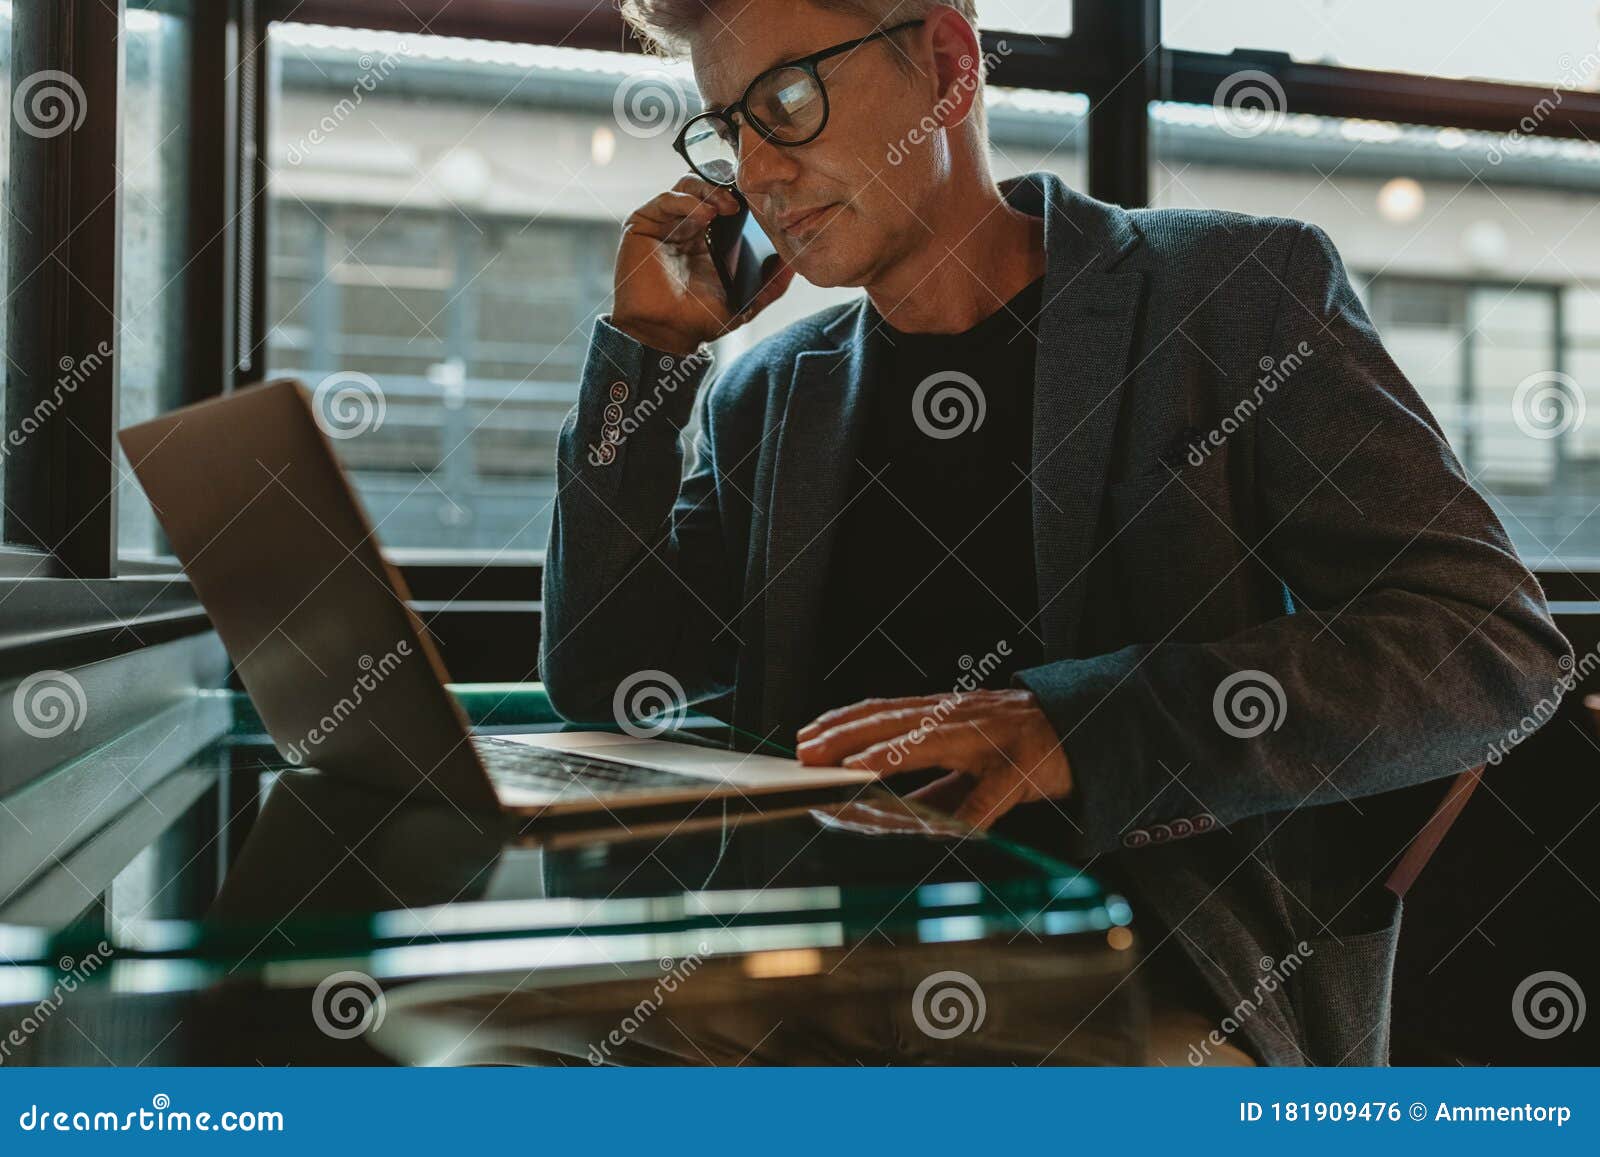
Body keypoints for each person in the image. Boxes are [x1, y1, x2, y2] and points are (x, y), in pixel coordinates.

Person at [540, 0, 1570, 1065]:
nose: (756, 171)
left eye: (786, 104)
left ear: (944, 65)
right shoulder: (764, 393)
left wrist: (1075, 727)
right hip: (805, 977)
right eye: (727, 127)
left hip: (1139, 984)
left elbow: (1492, 644)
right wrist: (646, 360)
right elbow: (609, 679)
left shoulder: (1232, 300)